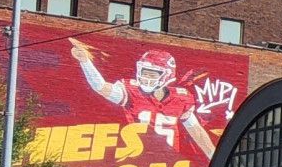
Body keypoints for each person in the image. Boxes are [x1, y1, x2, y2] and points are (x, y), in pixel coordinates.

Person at [69, 39, 221, 158]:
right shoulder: (131, 91)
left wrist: (216, 162)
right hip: (136, 160)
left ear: (167, 75)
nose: (146, 77)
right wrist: (85, 61)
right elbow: (100, 87)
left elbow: (198, 133)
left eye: (152, 74)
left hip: (169, 165)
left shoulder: (181, 98)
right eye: (144, 72)